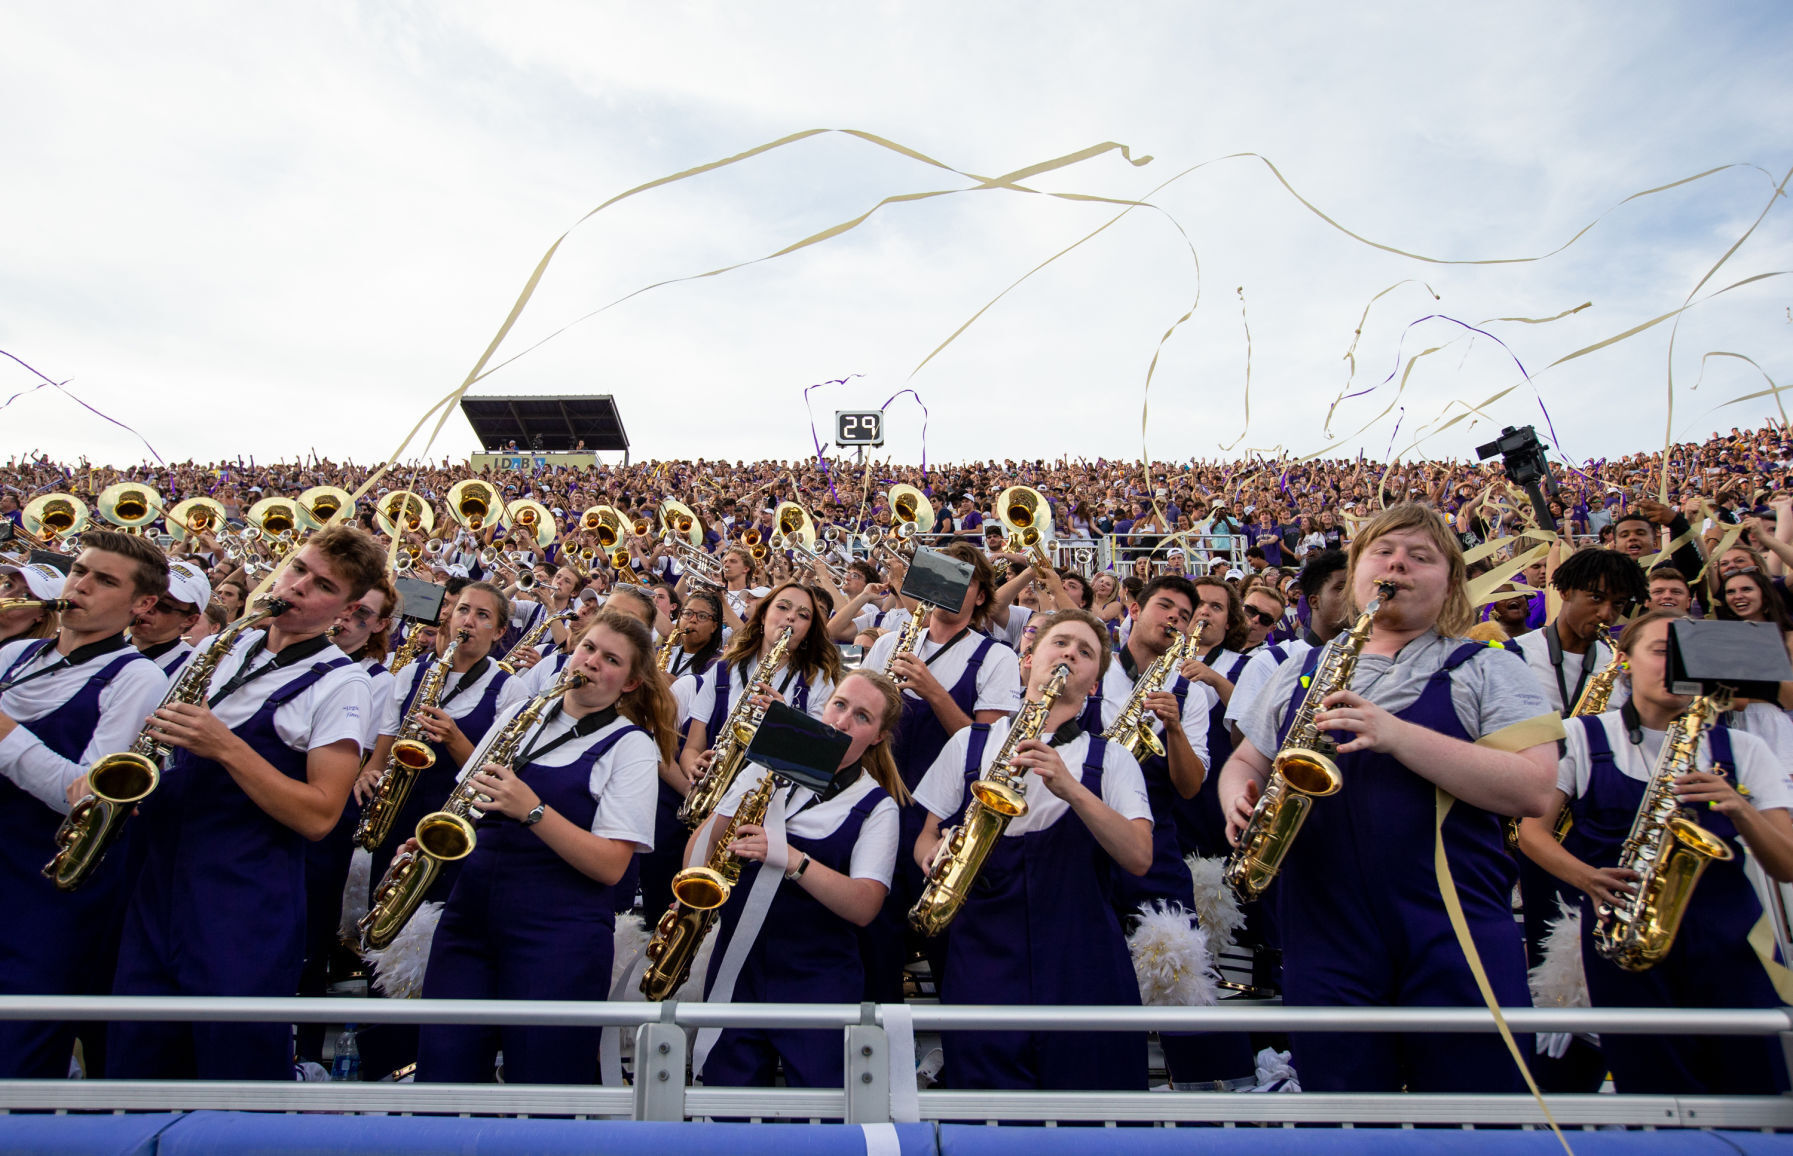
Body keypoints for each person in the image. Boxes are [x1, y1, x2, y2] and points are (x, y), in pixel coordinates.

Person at [1220, 504, 1562, 1093]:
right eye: (1383, 552)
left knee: (1477, 1113)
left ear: (1450, 583)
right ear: (1355, 573)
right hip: (1324, 926)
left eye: (1420, 556)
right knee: (1343, 1115)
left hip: (1452, 928)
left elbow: (1533, 789)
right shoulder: (1299, 667)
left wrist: (1398, 735)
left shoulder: (1488, 668)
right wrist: (1236, 797)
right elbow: (1246, 760)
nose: (1397, 563)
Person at [108, 525, 384, 1080]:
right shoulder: (222, 645)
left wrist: (224, 746)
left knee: (231, 1077)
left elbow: (320, 814)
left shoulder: (342, 683)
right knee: (136, 1069)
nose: (300, 585)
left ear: (346, 610)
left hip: (241, 904)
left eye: (322, 584)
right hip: (157, 886)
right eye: (298, 569)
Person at [1515, 610, 1793, 1094]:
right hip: (1626, 944)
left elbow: (1786, 864)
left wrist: (1738, 809)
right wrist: (1586, 878)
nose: (1676, 664)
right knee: (1652, 1088)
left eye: (1687, 652)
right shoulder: (1582, 735)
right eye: (1662, 650)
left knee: (1753, 1086)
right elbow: (1529, 832)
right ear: (1623, 659)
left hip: (1729, 945)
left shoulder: (1743, 747)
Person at [415, 610, 669, 1084]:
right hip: (469, 920)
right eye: (589, 648)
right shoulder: (518, 713)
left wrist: (533, 810)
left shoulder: (632, 747)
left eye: (611, 659)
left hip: (558, 939)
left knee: (544, 1083)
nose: (592, 662)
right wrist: (432, 842)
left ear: (631, 684)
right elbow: (468, 802)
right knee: (443, 1071)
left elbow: (612, 866)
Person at [912, 609, 1153, 1091]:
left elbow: (1139, 857)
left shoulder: (1113, 758)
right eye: (1060, 643)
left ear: (1093, 682)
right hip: (982, 954)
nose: (1070, 654)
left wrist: (1072, 788)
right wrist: (932, 855)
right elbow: (926, 834)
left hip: (1080, 956)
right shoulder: (968, 743)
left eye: (1086, 652)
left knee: (1093, 1105)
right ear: (1029, 660)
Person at [0, 534, 169, 1079]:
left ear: (142, 605)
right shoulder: (13, 654)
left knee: (20, 1052)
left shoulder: (138, 677)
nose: (80, 586)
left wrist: (5, 736)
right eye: (79, 571)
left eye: (105, 580)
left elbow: (88, 798)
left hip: (47, 890)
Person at [693, 671, 904, 1088]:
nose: (842, 722)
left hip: (818, 979)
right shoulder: (773, 767)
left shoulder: (877, 806)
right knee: (724, 1108)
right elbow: (695, 860)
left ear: (878, 737)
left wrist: (792, 860)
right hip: (739, 967)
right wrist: (744, 776)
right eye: (839, 705)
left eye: (862, 717)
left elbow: (864, 906)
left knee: (820, 1116)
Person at [859, 542, 1019, 1001]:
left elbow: (987, 751)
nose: (949, 585)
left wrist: (933, 692)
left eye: (963, 578)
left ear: (981, 596)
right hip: (878, 807)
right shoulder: (890, 642)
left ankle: (961, 1056)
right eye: (941, 573)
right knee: (876, 943)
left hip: (943, 819)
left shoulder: (996, 657)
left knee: (952, 946)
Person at [1511, 548, 1644, 717]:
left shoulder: (1620, 667)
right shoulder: (1513, 655)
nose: (1606, 614)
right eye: (1596, 598)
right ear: (1565, 591)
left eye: (1618, 603)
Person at [129, 559, 211, 676]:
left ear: (189, 620)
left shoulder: (188, 671)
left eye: (164, 605)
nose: (147, 607)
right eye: (144, 596)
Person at [0, 560, 65, 644]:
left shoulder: (22, 654)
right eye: (8, 585)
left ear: (42, 616)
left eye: (27, 595)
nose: (7, 596)